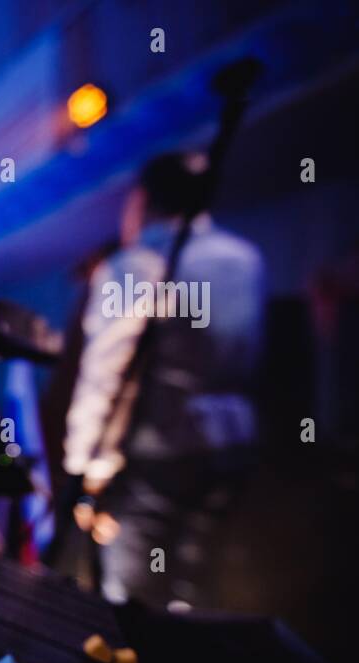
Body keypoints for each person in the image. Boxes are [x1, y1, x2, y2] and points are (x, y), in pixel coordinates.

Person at [61, 152, 265, 610]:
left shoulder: (138, 264)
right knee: (195, 584)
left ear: (144, 201)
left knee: (133, 595)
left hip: (161, 455)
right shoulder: (245, 259)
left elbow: (106, 371)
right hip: (233, 445)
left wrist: (86, 467)